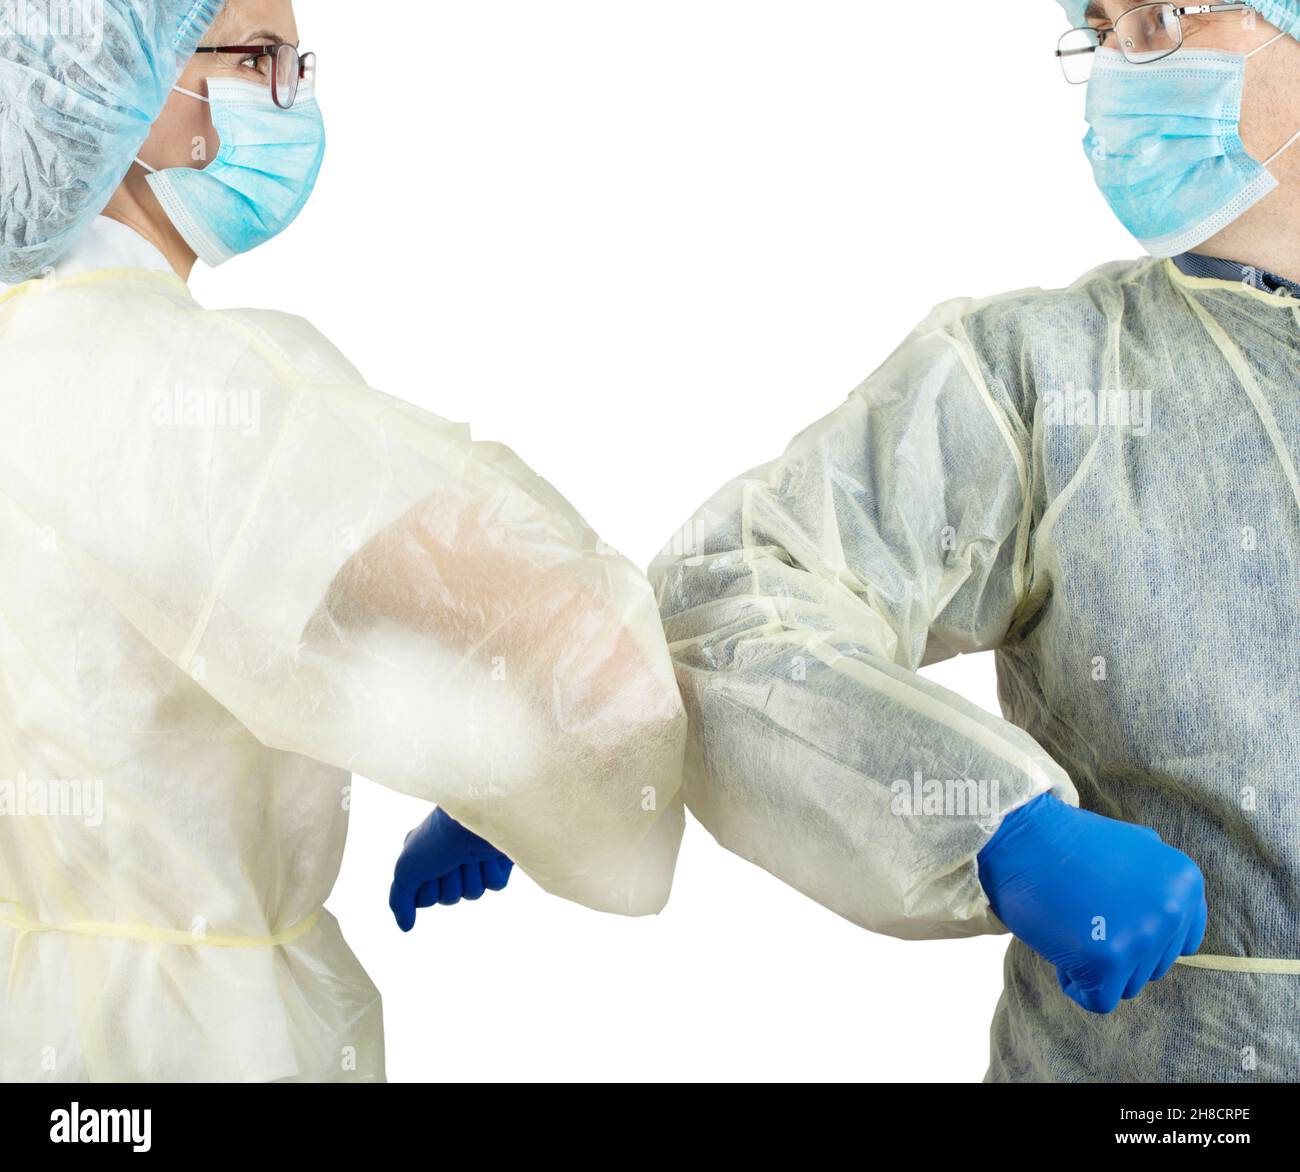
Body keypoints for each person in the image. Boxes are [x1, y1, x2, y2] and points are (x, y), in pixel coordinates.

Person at [0, 0, 686, 1081]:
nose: (294, 96)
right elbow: (595, 665)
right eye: (260, 59)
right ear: (130, 105)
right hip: (212, 1043)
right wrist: (509, 784)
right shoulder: (219, 399)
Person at [649, 0, 1300, 1082]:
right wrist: (998, 823)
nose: (1118, 70)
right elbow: (729, 598)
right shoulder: (1046, 379)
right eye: (1102, 28)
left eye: (1162, 16)